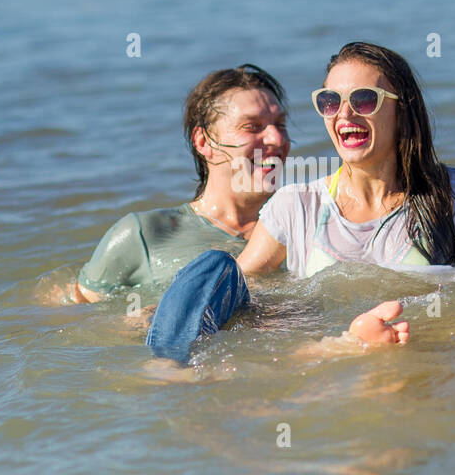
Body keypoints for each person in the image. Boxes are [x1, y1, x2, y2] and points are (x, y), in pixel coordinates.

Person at [146, 41, 455, 362]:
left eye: (364, 100)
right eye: (330, 101)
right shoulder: (295, 205)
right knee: (215, 265)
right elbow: (238, 289)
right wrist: (170, 312)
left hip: (416, 356)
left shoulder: (449, 194)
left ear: (402, 109)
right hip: (322, 358)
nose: (344, 114)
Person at [42, 64, 289, 304]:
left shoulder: (301, 224)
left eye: (280, 125)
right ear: (204, 142)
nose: (277, 139)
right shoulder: (144, 236)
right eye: (252, 127)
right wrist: (131, 326)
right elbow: (72, 318)